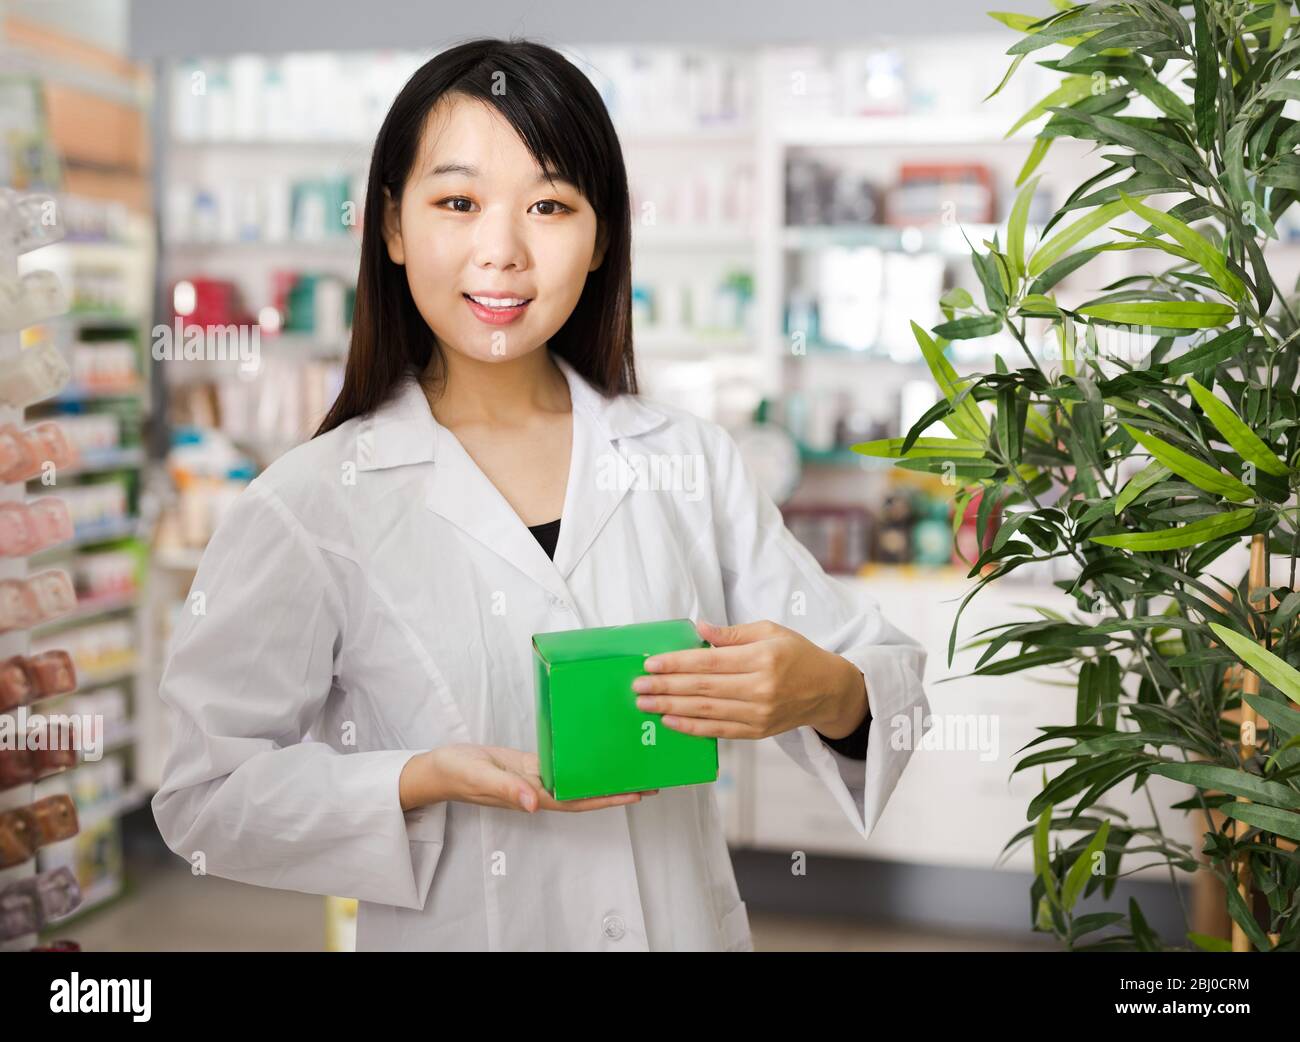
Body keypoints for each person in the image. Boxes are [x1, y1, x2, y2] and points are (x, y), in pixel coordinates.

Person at [151, 37, 931, 952]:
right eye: (457, 202)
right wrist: (415, 779)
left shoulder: (691, 464)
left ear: (601, 236)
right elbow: (205, 795)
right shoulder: (312, 502)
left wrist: (825, 692)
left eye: (550, 205)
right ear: (393, 228)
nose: (502, 251)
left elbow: (890, 687)